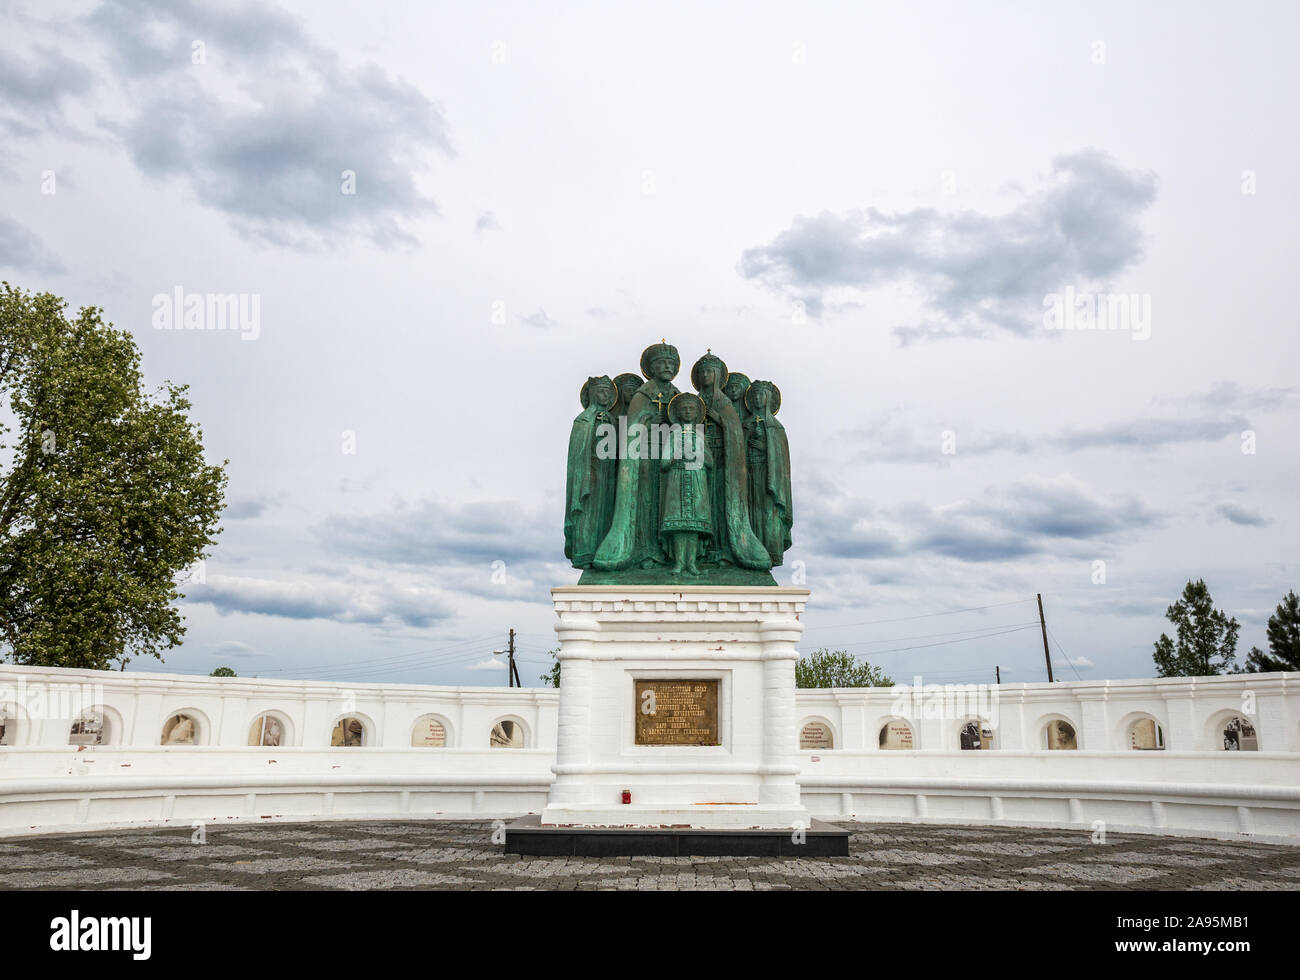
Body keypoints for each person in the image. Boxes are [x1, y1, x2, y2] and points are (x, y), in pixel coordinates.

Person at [564, 376, 619, 568]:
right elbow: (578, 454)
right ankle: (584, 554)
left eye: (607, 392)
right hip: (589, 475)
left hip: (608, 475)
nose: (605, 395)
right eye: (601, 392)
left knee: (605, 514)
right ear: (592, 394)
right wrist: (585, 473)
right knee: (587, 514)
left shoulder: (611, 419)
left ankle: (600, 553)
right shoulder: (583, 420)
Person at [659, 393, 712, 576]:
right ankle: (679, 563)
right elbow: (664, 462)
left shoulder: (699, 434)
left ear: (697, 412)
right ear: (678, 413)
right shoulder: (673, 434)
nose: (688, 411)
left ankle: (692, 563)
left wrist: (697, 454)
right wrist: (677, 455)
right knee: (679, 523)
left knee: (694, 523)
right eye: (684, 408)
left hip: (697, 477)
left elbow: (710, 461)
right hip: (677, 477)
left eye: (691, 408)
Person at [744, 380, 793, 566]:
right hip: (748, 474)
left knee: (769, 513)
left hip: (769, 477)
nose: (758, 398)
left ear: (769, 399)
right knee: (750, 512)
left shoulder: (776, 428)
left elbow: (781, 461)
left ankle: (771, 554)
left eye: (762, 394)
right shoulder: (746, 423)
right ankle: (754, 553)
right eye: (755, 394)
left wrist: (765, 448)